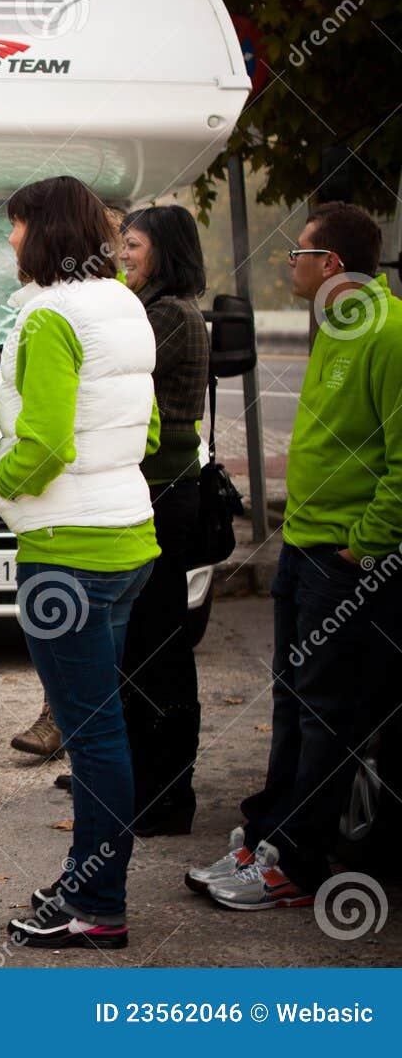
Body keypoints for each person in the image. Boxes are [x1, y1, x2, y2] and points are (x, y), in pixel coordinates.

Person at [190, 203, 402, 911]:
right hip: (305, 549)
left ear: (331, 265)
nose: (292, 265)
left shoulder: (386, 332)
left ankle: (297, 862)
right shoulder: (340, 328)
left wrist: (365, 541)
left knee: (326, 714)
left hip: (342, 560)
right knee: (293, 700)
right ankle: (268, 835)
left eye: (299, 253)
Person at [0, 176, 159, 951]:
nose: (10, 242)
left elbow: (47, 441)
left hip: (66, 551)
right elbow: (151, 430)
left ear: (42, 231)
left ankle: (96, 901)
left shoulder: (49, 313)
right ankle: (87, 877)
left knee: (90, 736)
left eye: (16, 226)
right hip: (128, 538)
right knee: (104, 727)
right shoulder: (123, 304)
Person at [116, 205, 211, 836]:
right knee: (139, 643)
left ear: (165, 251)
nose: (124, 254)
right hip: (157, 490)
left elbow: (118, 373)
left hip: (164, 493)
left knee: (159, 644)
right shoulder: (152, 307)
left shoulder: (167, 315)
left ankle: (166, 792)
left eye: (134, 245)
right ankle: (134, 773)